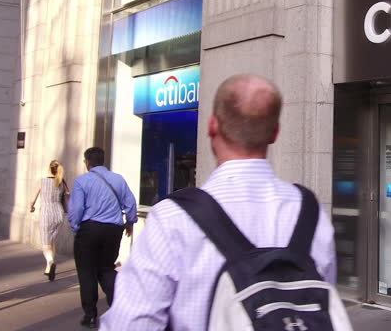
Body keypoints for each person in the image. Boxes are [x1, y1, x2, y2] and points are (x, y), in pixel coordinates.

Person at [101, 74, 337, 329]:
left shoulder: (172, 219)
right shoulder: (311, 213)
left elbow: (131, 324)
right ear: (275, 133)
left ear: (212, 125)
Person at [68, 147, 138, 329]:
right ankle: (119, 307)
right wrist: (130, 222)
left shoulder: (82, 181)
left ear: (87, 162)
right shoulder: (118, 179)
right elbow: (130, 203)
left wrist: (76, 228)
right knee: (106, 269)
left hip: (89, 229)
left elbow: (76, 210)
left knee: (87, 272)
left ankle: (90, 315)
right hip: (113, 230)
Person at [29, 159, 70, 281]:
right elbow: (68, 198)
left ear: (49, 169)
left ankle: (50, 261)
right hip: (58, 213)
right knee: (52, 241)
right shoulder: (62, 182)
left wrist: (31, 207)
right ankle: (48, 268)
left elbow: (33, 199)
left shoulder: (42, 182)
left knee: (45, 243)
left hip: (46, 214)